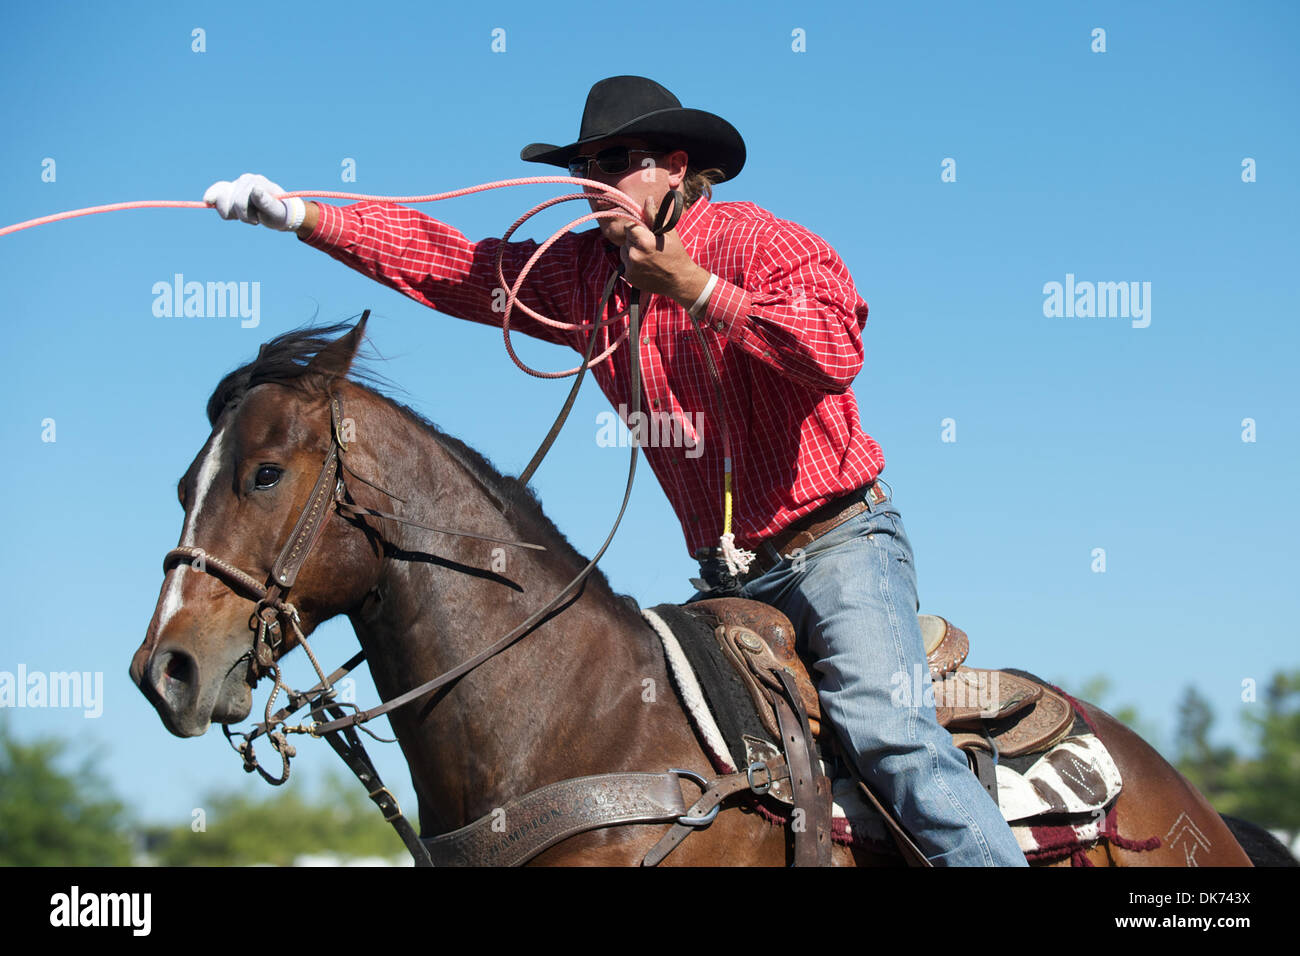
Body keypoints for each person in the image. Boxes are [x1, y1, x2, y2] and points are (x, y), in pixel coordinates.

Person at [204, 75, 1027, 866]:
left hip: (842, 547)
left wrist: (697, 289)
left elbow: (834, 352)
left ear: (677, 167)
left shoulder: (758, 240)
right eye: (584, 165)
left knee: (887, 733)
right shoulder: (582, 278)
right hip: (729, 581)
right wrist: (307, 216)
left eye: (616, 160)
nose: (593, 180)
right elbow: (456, 265)